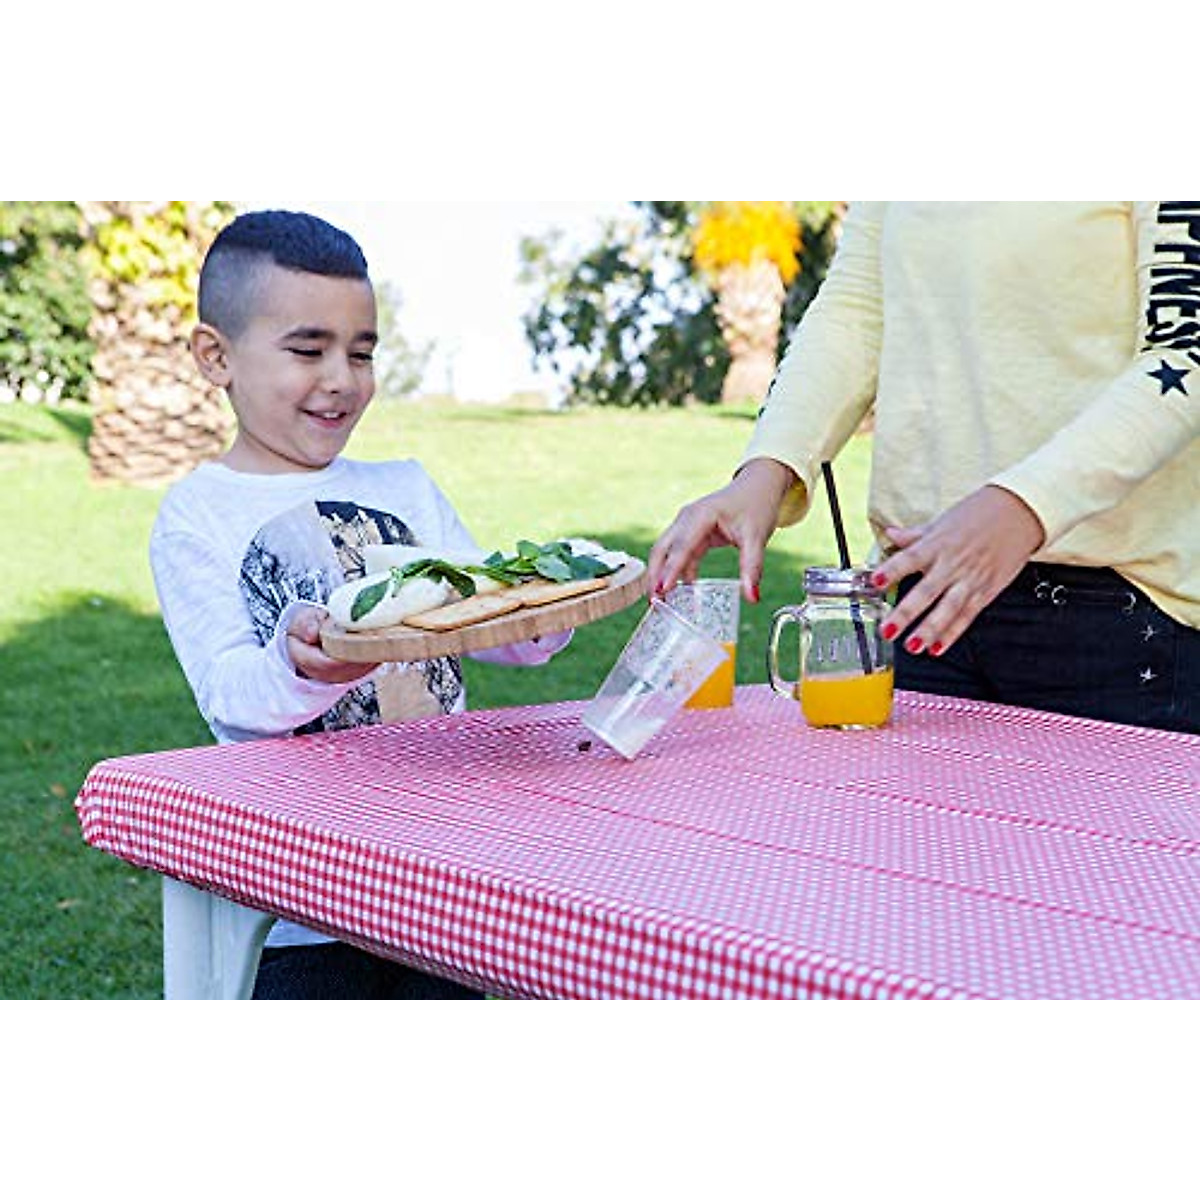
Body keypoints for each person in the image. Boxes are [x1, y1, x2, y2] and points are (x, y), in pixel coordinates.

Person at [151, 209, 573, 998]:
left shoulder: (404, 486)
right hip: (309, 908)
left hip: (454, 875)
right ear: (216, 356)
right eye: (308, 350)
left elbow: (483, 623)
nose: (342, 379)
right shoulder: (198, 516)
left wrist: (543, 608)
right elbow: (235, 697)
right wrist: (305, 661)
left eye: (362, 352)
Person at [650, 202, 1198, 734]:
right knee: (909, 833)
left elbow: (1185, 356)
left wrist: (1025, 505)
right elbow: (855, 310)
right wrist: (766, 472)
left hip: (1118, 622)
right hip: (922, 604)